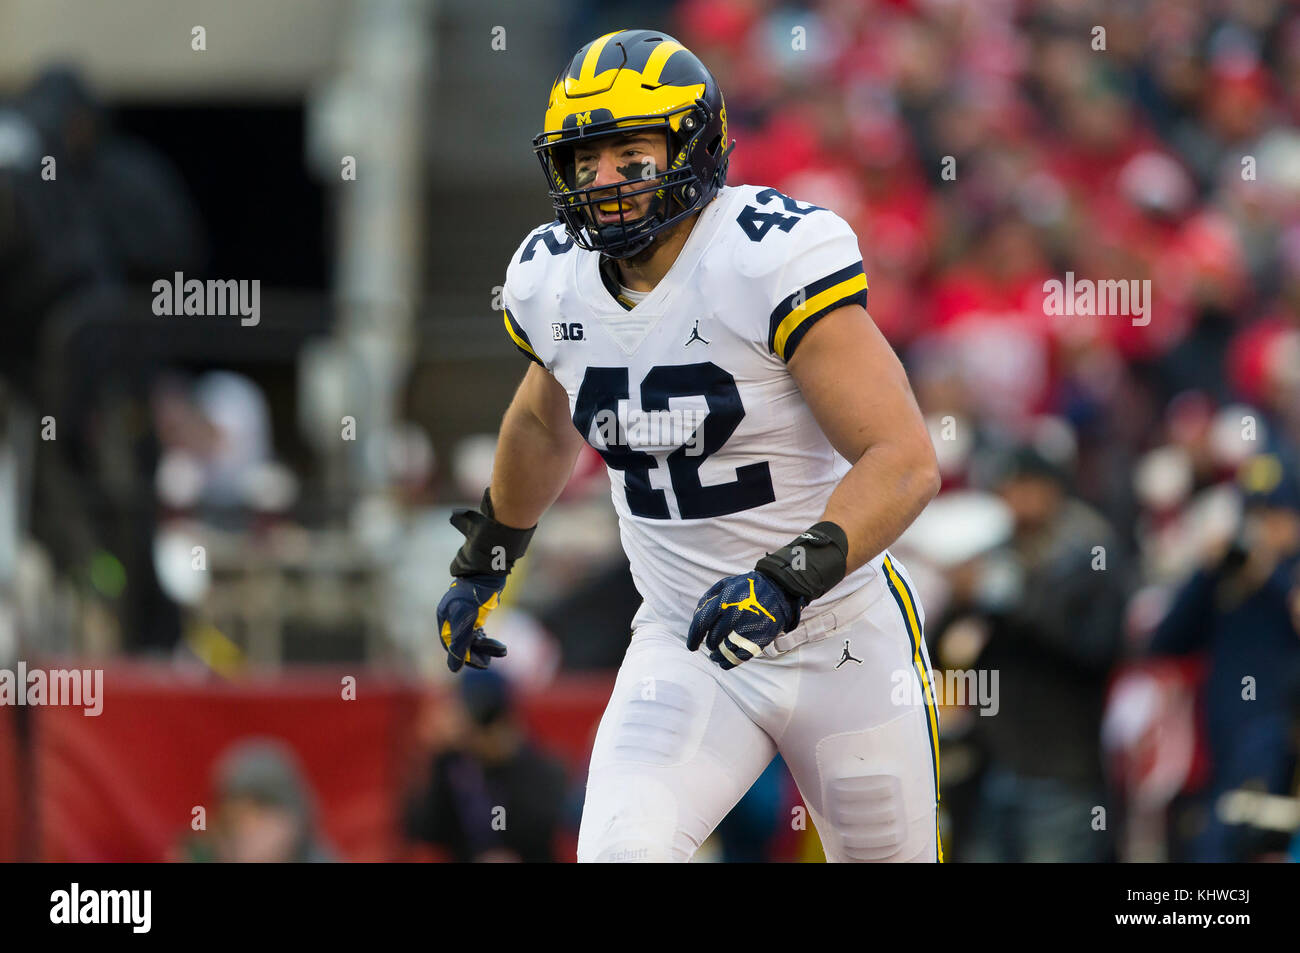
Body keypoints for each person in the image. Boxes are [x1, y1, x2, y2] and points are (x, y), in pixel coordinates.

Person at [435, 29, 941, 863]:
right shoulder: (550, 277)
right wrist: (485, 562)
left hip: (840, 632)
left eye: (630, 153)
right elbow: (539, 419)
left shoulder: (767, 258)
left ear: (694, 146)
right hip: (686, 637)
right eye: (585, 159)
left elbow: (904, 458)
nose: (604, 181)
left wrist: (784, 580)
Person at [940, 444, 1126, 862]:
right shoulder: (995, 551)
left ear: (1050, 490)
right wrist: (961, 599)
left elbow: (1096, 650)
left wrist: (1011, 598)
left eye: (1023, 487)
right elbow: (946, 648)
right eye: (1006, 489)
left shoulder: (1089, 553)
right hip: (991, 762)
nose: (1013, 500)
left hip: (1060, 768)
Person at [1149, 450, 1300, 861]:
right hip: (1221, 753)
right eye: (1254, 517)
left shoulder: (1287, 578)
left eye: (1274, 516)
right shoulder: (1226, 579)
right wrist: (1205, 572)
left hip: (1283, 757)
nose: (1262, 530)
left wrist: (1274, 575)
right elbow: (1164, 643)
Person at [404, 669, 569, 862]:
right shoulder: (454, 766)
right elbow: (424, 829)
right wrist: (439, 760)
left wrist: (506, 764)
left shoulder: (539, 765)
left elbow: (540, 828)